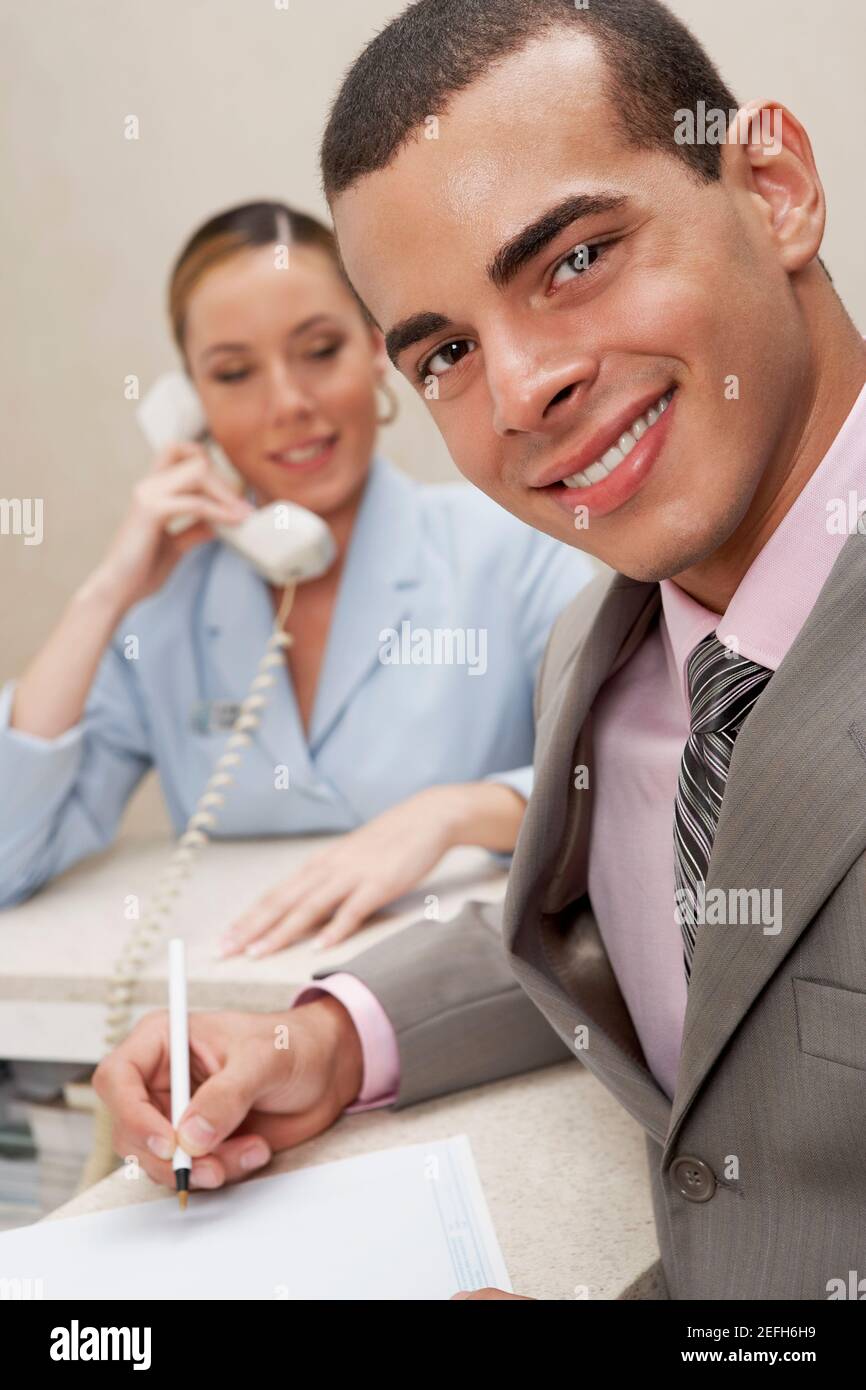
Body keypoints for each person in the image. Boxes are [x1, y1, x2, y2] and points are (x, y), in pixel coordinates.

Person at [94, 0, 866, 1301]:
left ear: (773, 188)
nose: (515, 391)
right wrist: (329, 1038)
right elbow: (682, 944)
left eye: (572, 260)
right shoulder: (603, 651)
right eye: (445, 351)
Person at [0, 200, 595, 953]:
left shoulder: (509, 549)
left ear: (376, 353)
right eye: (235, 372)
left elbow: (628, 789)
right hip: (226, 1021)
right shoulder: (163, 609)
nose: (287, 404)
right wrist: (106, 593)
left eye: (319, 350)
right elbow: (6, 858)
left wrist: (456, 812)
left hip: (445, 1016)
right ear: (190, 405)